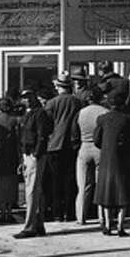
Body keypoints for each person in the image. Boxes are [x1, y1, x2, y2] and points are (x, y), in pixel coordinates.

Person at [94, 79, 130, 236]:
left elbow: (96, 140)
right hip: (123, 159)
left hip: (106, 158)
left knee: (106, 192)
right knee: (122, 192)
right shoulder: (129, 119)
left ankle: (106, 224)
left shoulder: (102, 119)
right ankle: (120, 225)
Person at [14, 87, 52, 239]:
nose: (26, 99)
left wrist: (36, 154)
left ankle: (30, 226)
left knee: (31, 191)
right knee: (35, 190)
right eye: (24, 97)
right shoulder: (27, 114)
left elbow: (43, 135)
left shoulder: (39, 114)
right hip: (28, 154)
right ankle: (38, 224)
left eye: (28, 97)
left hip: (34, 155)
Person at [44, 71, 82, 222]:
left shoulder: (52, 103)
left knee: (55, 180)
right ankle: (69, 212)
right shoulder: (77, 102)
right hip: (72, 145)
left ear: (59, 87)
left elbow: (47, 123)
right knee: (70, 180)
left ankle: (57, 212)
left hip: (54, 144)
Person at [73, 84, 105, 225]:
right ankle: (102, 217)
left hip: (84, 146)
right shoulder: (104, 112)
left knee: (83, 185)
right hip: (100, 148)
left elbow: (74, 132)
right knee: (100, 185)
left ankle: (81, 217)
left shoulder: (81, 113)